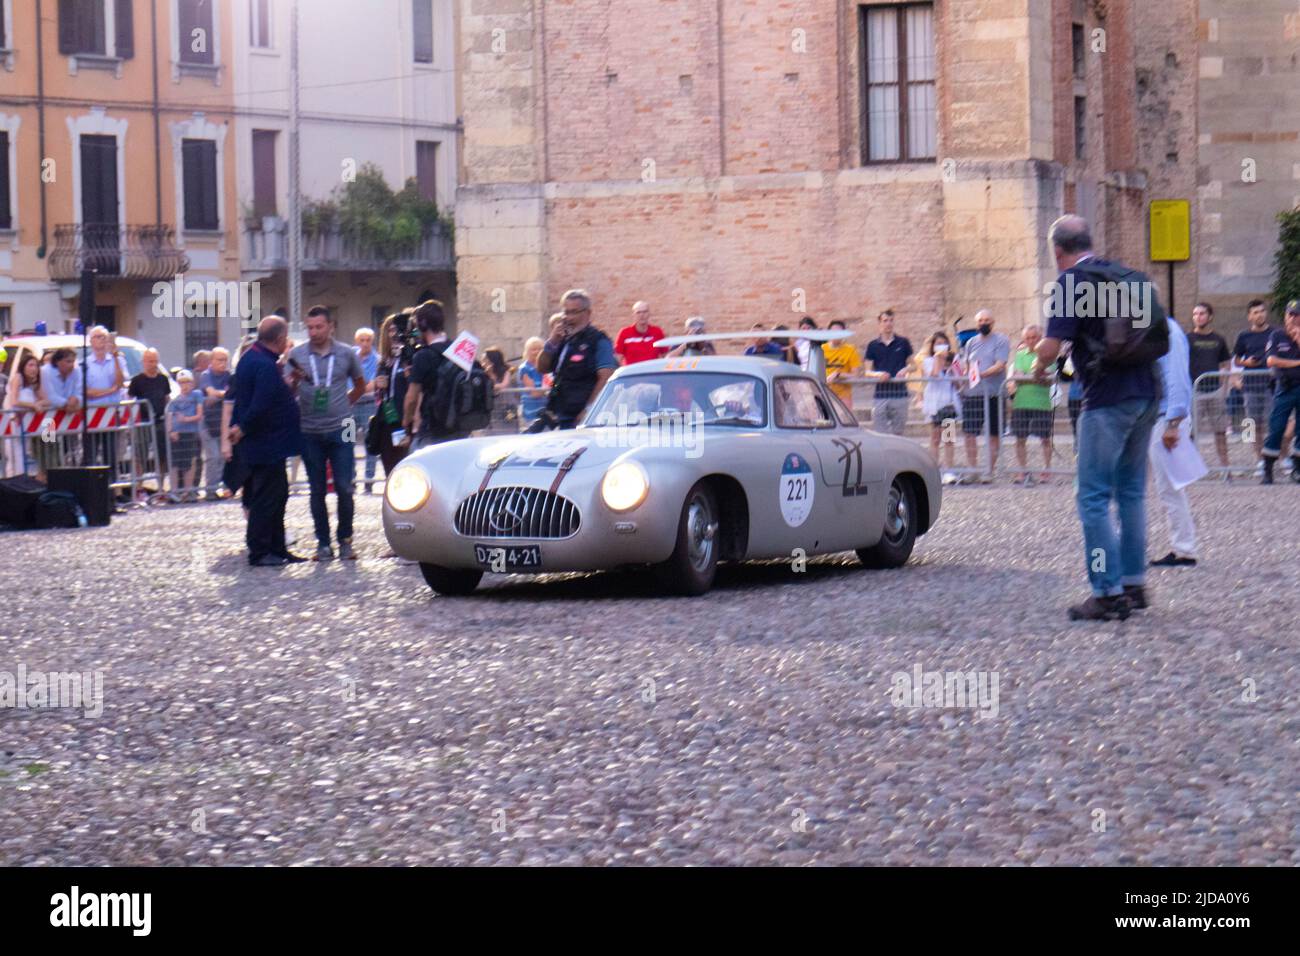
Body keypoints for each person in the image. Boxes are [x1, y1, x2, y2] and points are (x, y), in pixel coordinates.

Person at [1034, 214, 1162, 621]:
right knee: (1131, 493)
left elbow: (1052, 348)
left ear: (1058, 252)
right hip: (1146, 393)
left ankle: (1106, 592)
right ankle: (1133, 583)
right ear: (1089, 241)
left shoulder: (1071, 283)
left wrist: (1038, 363)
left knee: (1092, 497)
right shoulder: (1129, 276)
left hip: (1106, 398)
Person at [289, 305, 366, 561]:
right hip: (309, 429)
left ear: (330, 326)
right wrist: (294, 382)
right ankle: (323, 543)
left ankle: (345, 539)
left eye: (318, 326)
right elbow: (288, 392)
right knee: (317, 489)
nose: (313, 332)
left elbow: (359, 384)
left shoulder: (346, 353)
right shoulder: (297, 355)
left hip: (343, 426)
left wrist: (345, 404)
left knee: (345, 486)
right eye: (310, 327)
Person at [229, 317, 305, 567]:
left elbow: (270, 396)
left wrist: (290, 383)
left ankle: (277, 547)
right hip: (266, 443)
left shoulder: (256, 359)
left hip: (270, 443)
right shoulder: (262, 364)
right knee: (265, 498)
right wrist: (243, 427)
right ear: (281, 339)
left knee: (278, 495)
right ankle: (260, 551)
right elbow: (260, 403)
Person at [1149, 314, 1200, 566]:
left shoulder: (1167, 331)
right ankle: (1183, 546)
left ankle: (1184, 549)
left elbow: (1177, 377)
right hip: (1159, 417)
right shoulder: (1157, 329)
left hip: (1166, 419)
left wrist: (1173, 422)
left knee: (1170, 487)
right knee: (1168, 486)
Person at [533, 289, 617, 430]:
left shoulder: (598, 340)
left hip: (581, 415)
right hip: (557, 411)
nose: (569, 318)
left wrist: (589, 410)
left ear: (587, 313)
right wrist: (552, 342)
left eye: (574, 312)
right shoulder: (562, 340)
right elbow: (541, 368)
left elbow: (605, 377)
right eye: (566, 312)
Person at [403, 299, 466, 448]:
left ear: (423, 325)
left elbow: (412, 397)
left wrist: (406, 421)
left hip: (433, 428)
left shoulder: (423, 356)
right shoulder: (458, 349)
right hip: (460, 427)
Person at [958, 309, 1010, 478]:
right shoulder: (971, 342)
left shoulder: (1002, 340)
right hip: (973, 394)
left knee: (994, 433)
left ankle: (989, 470)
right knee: (969, 432)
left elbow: (1000, 364)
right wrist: (964, 376)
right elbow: (967, 366)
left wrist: (981, 374)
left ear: (993, 322)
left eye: (987, 320)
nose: (983, 323)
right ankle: (973, 469)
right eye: (980, 320)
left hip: (994, 393)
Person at [1007, 324, 1055, 485]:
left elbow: (1049, 378)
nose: (1031, 340)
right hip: (1021, 402)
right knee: (1020, 438)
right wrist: (1036, 375)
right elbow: (1018, 376)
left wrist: (1028, 376)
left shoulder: (1048, 355)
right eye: (1027, 338)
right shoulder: (1020, 355)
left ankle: (1047, 470)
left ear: (1040, 338)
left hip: (1042, 403)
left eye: (1034, 337)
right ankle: (1022, 470)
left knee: (1045, 438)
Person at [1186, 302, 1232, 472]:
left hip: (1215, 392)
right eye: (1195, 314)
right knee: (1191, 433)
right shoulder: (1187, 338)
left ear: (1210, 316)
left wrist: (1224, 388)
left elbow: (1226, 363)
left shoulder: (1219, 339)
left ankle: (1226, 469)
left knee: (1220, 432)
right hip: (1194, 392)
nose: (1198, 317)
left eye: (1202, 313)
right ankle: (1190, 470)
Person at [1260, 300, 1300, 484]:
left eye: (1296, 314)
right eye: (1290, 314)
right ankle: (1267, 469)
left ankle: (1297, 469)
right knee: (1275, 427)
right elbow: (1272, 361)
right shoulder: (1277, 335)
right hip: (1283, 387)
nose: (1293, 318)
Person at [1232, 299, 1275, 470]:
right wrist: (1247, 363)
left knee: (1274, 422)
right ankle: (1259, 459)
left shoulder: (1275, 333)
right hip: (1250, 386)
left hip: (1272, 384)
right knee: (1251, 423)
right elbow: (1236, 359)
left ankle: (1280, 456)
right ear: (1250, 316)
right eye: (1255, 312)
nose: (1260, 315)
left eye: (1262, 311)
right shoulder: (1243, 336)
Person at [373, 310, 415, 475]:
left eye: (396, 330)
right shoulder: (384, 362)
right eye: (390, 330)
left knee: (406, 468)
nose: (393, 334)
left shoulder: (410, 358)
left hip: (405, 420)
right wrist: (378, 385)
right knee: (390, 469)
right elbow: (379, 395)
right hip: (387, 421)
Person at [917, 330, 960, 482]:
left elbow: (958, 381)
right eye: (938, 344)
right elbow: (934, 375)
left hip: (948, 403)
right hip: (934, 403)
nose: (941, 346)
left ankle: (949, 470)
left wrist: (953, 369)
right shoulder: (928, 361)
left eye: (943, 343)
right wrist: (937, 359)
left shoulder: (954, 360)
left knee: (949, 439)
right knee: (935, 439)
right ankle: (934, 470)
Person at [128, 348, 173, 490]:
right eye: (149, 361)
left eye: (155, 361)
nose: (153, 364)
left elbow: (167, 398)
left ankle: (161, 487)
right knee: (140, 455)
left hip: (160, 421)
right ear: (143, 362)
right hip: (142, 422)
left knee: (162, 455)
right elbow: (130, 401)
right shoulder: (136, 381)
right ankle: (139, 488)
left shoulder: (163, 379)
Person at [865, 309, 913, 436]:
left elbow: (913, 365)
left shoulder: (903, 342)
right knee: (881, 434)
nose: (888, 323)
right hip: (880, 394)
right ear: (879, 323)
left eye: (891, 320)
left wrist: (905, 370)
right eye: (885, 321)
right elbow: (867, 371)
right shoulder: (872, 345)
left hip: (900, 394)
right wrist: (877, 374)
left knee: (898, 434)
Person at [4, 354, 51, 479]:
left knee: (26, 455)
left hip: (28, 427)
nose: (34, 368)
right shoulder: (18, 378)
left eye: (36, 365)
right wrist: (33, 405)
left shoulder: (35, 383)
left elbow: (47, 400)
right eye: (30, 365)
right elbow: (15, 401)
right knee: (16, 457)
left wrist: (39, 403)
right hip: (15, 423)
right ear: (23, 366)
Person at [197, 347, 232, 500]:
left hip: (224, 423)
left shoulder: (229, 376)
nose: (222, 363)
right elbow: (211, 392)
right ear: (211, 361)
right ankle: (210, 490)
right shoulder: (206, 375)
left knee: (224, 457)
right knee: (213, 456)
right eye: (219, 360)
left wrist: (219, 396)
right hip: (207, 422)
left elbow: (231, 393)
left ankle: (221, 488)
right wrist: (223, 395)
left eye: (225, 360)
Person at [166, 370, 203, 502]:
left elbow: (199, 414)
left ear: (192, 383)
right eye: (182, 383)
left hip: (190, 432)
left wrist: (186, 419)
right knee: (175, 463)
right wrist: (171, 431)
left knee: (190, 462)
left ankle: (188, 490)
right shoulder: (175, 399)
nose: (185, 385)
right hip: (177, 433)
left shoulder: (197, 395)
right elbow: (170, 416)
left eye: (187, 382)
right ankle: (175, 491)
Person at [352, 327, 381, 494]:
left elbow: (374, 384)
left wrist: (356, 390)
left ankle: (368, 480)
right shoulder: (350, 358)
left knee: (370, 444)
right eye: (361, 340)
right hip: (350, 408)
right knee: (346, 442)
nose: (365, 343)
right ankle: (351, 479)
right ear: (357, 341)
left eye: (368, 340)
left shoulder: (377, 360)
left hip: (369, 406)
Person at [822, 319, 861, 408]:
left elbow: (856, 374)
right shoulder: (821, 349)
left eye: (839, 332)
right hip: (825, 393)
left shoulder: (850, 350)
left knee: (844, 421)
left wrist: (838, 374)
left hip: (844, 395)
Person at [481, 346, 518, 431]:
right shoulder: (484, 373)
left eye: (485, 359)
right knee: (494, 429)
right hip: (493, 406)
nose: (483, 362)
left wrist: (493, 387)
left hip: (507, 405)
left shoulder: (506, 371)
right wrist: (490, 375)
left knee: (509, 427)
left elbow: (504, 385)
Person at [516, 336, 548, 428]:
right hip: (532, 412)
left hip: (546, 411)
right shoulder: (525, 368)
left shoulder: (545, 366)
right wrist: (548, 389)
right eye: (533, 349)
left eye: (540, 349)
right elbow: (534, 393)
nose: (537, 352)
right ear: (527, 351)